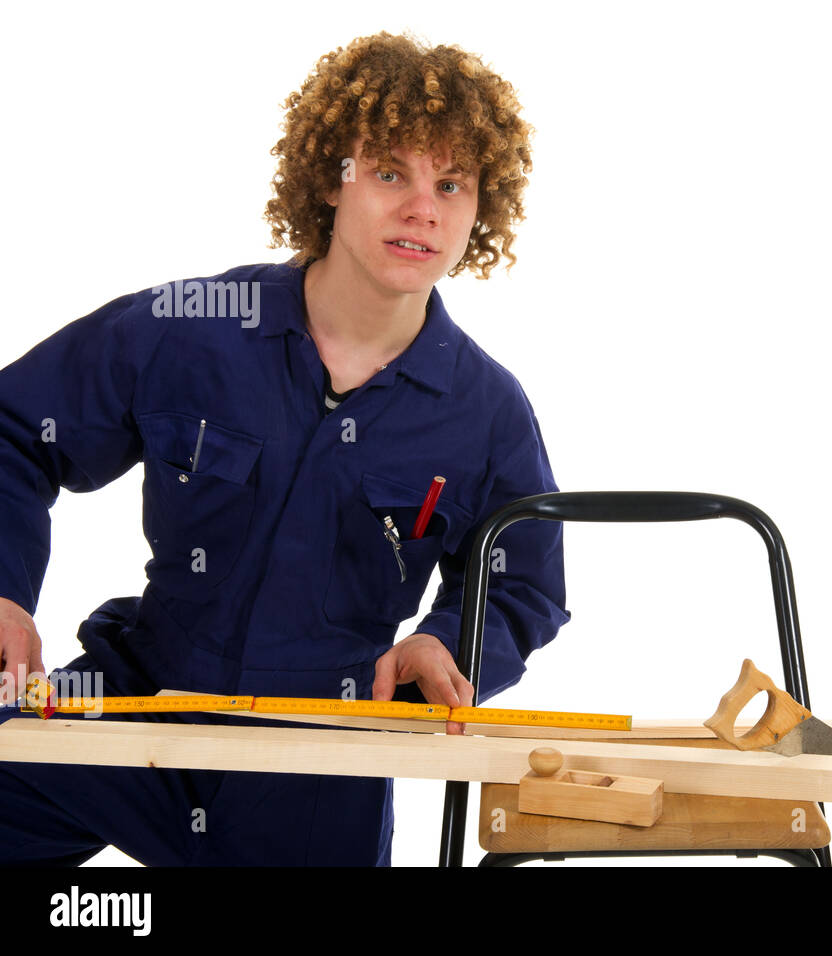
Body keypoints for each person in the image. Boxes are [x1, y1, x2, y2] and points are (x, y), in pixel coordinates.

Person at [0, 31, 570, 865]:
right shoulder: (189, 327)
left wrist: (447, 641)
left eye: (452, 184)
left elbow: (525, 584)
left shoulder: (487, 412)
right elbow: (16, 431)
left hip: (319, 753)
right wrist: (6, 590)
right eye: (390, 174)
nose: (423, 209)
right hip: (133, 702)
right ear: (330, 180)